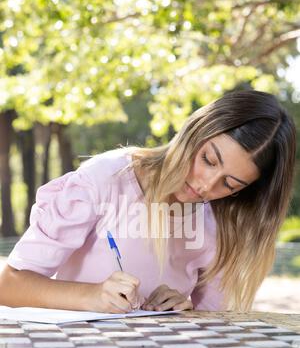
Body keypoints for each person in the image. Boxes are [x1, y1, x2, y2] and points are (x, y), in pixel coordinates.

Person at [0, 90, 296, 313]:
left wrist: (186, 312)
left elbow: (216, 332)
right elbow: (9, 286)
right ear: (194, 131)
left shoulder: (220, 224)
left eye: (229, 184)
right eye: (207, 159)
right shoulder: (107, 179)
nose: (206, 185)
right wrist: (91, 296)